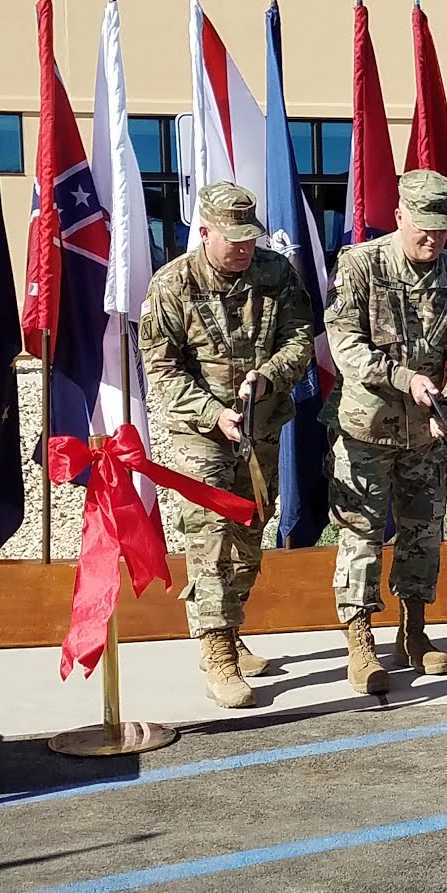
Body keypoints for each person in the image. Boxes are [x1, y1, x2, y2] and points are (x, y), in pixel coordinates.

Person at [139, 181, 314, 708]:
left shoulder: (275, 273)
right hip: (202, 434)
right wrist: (214, 413)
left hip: (260, 427)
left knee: (250, 531)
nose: (243, 249)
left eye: (248, 239)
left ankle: (230, 628)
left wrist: (269, 376)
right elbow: (163, 371)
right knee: (210, 536)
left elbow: (301, 337)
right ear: (205, 230)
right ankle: (216, 652)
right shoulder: (172, 285)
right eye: (232, 239)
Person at [324, 169, 447, 694]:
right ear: (399, 217)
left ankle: (414, 631)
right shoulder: (361, 266)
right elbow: (345, 344)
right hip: (367, 428)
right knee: (362, 534)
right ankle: (360, 642)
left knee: (423, 532)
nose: (431, 239)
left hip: (427, 434)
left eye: (440, 229)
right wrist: (402, 377)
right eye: (422, 227)